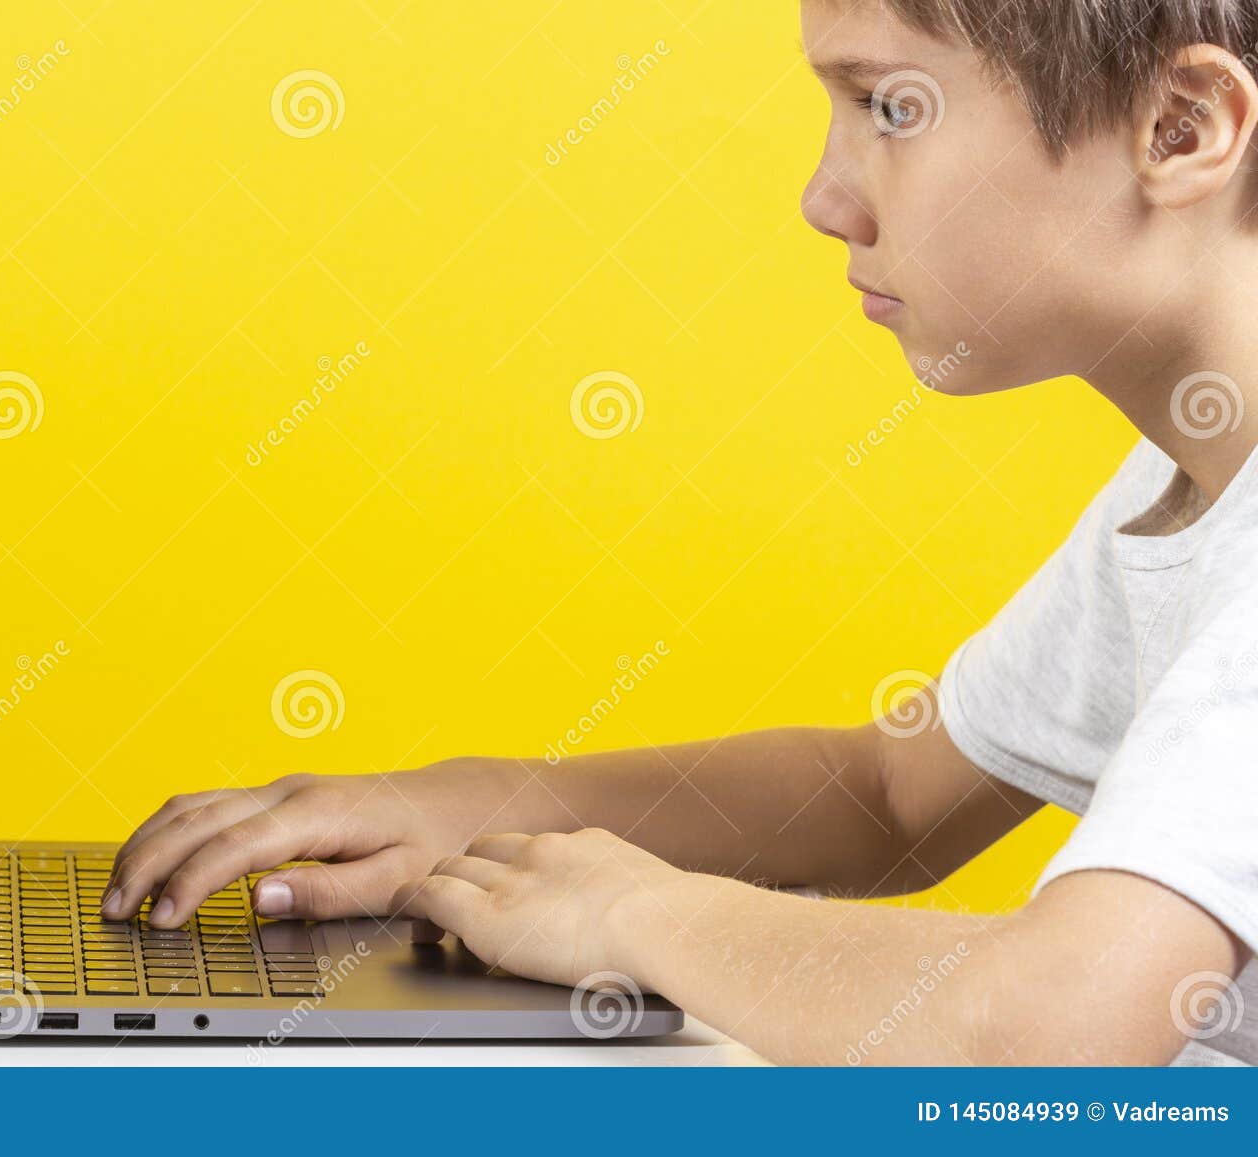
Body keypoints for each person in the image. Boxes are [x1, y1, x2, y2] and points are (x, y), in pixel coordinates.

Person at [102, 0, 1258, 1065]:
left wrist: (632, 911)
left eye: (889, 107)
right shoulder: (1186, 482)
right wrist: (465, 809)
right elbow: (892, 794)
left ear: (1181, 126)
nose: (826, 197)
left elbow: (1053, 1020)